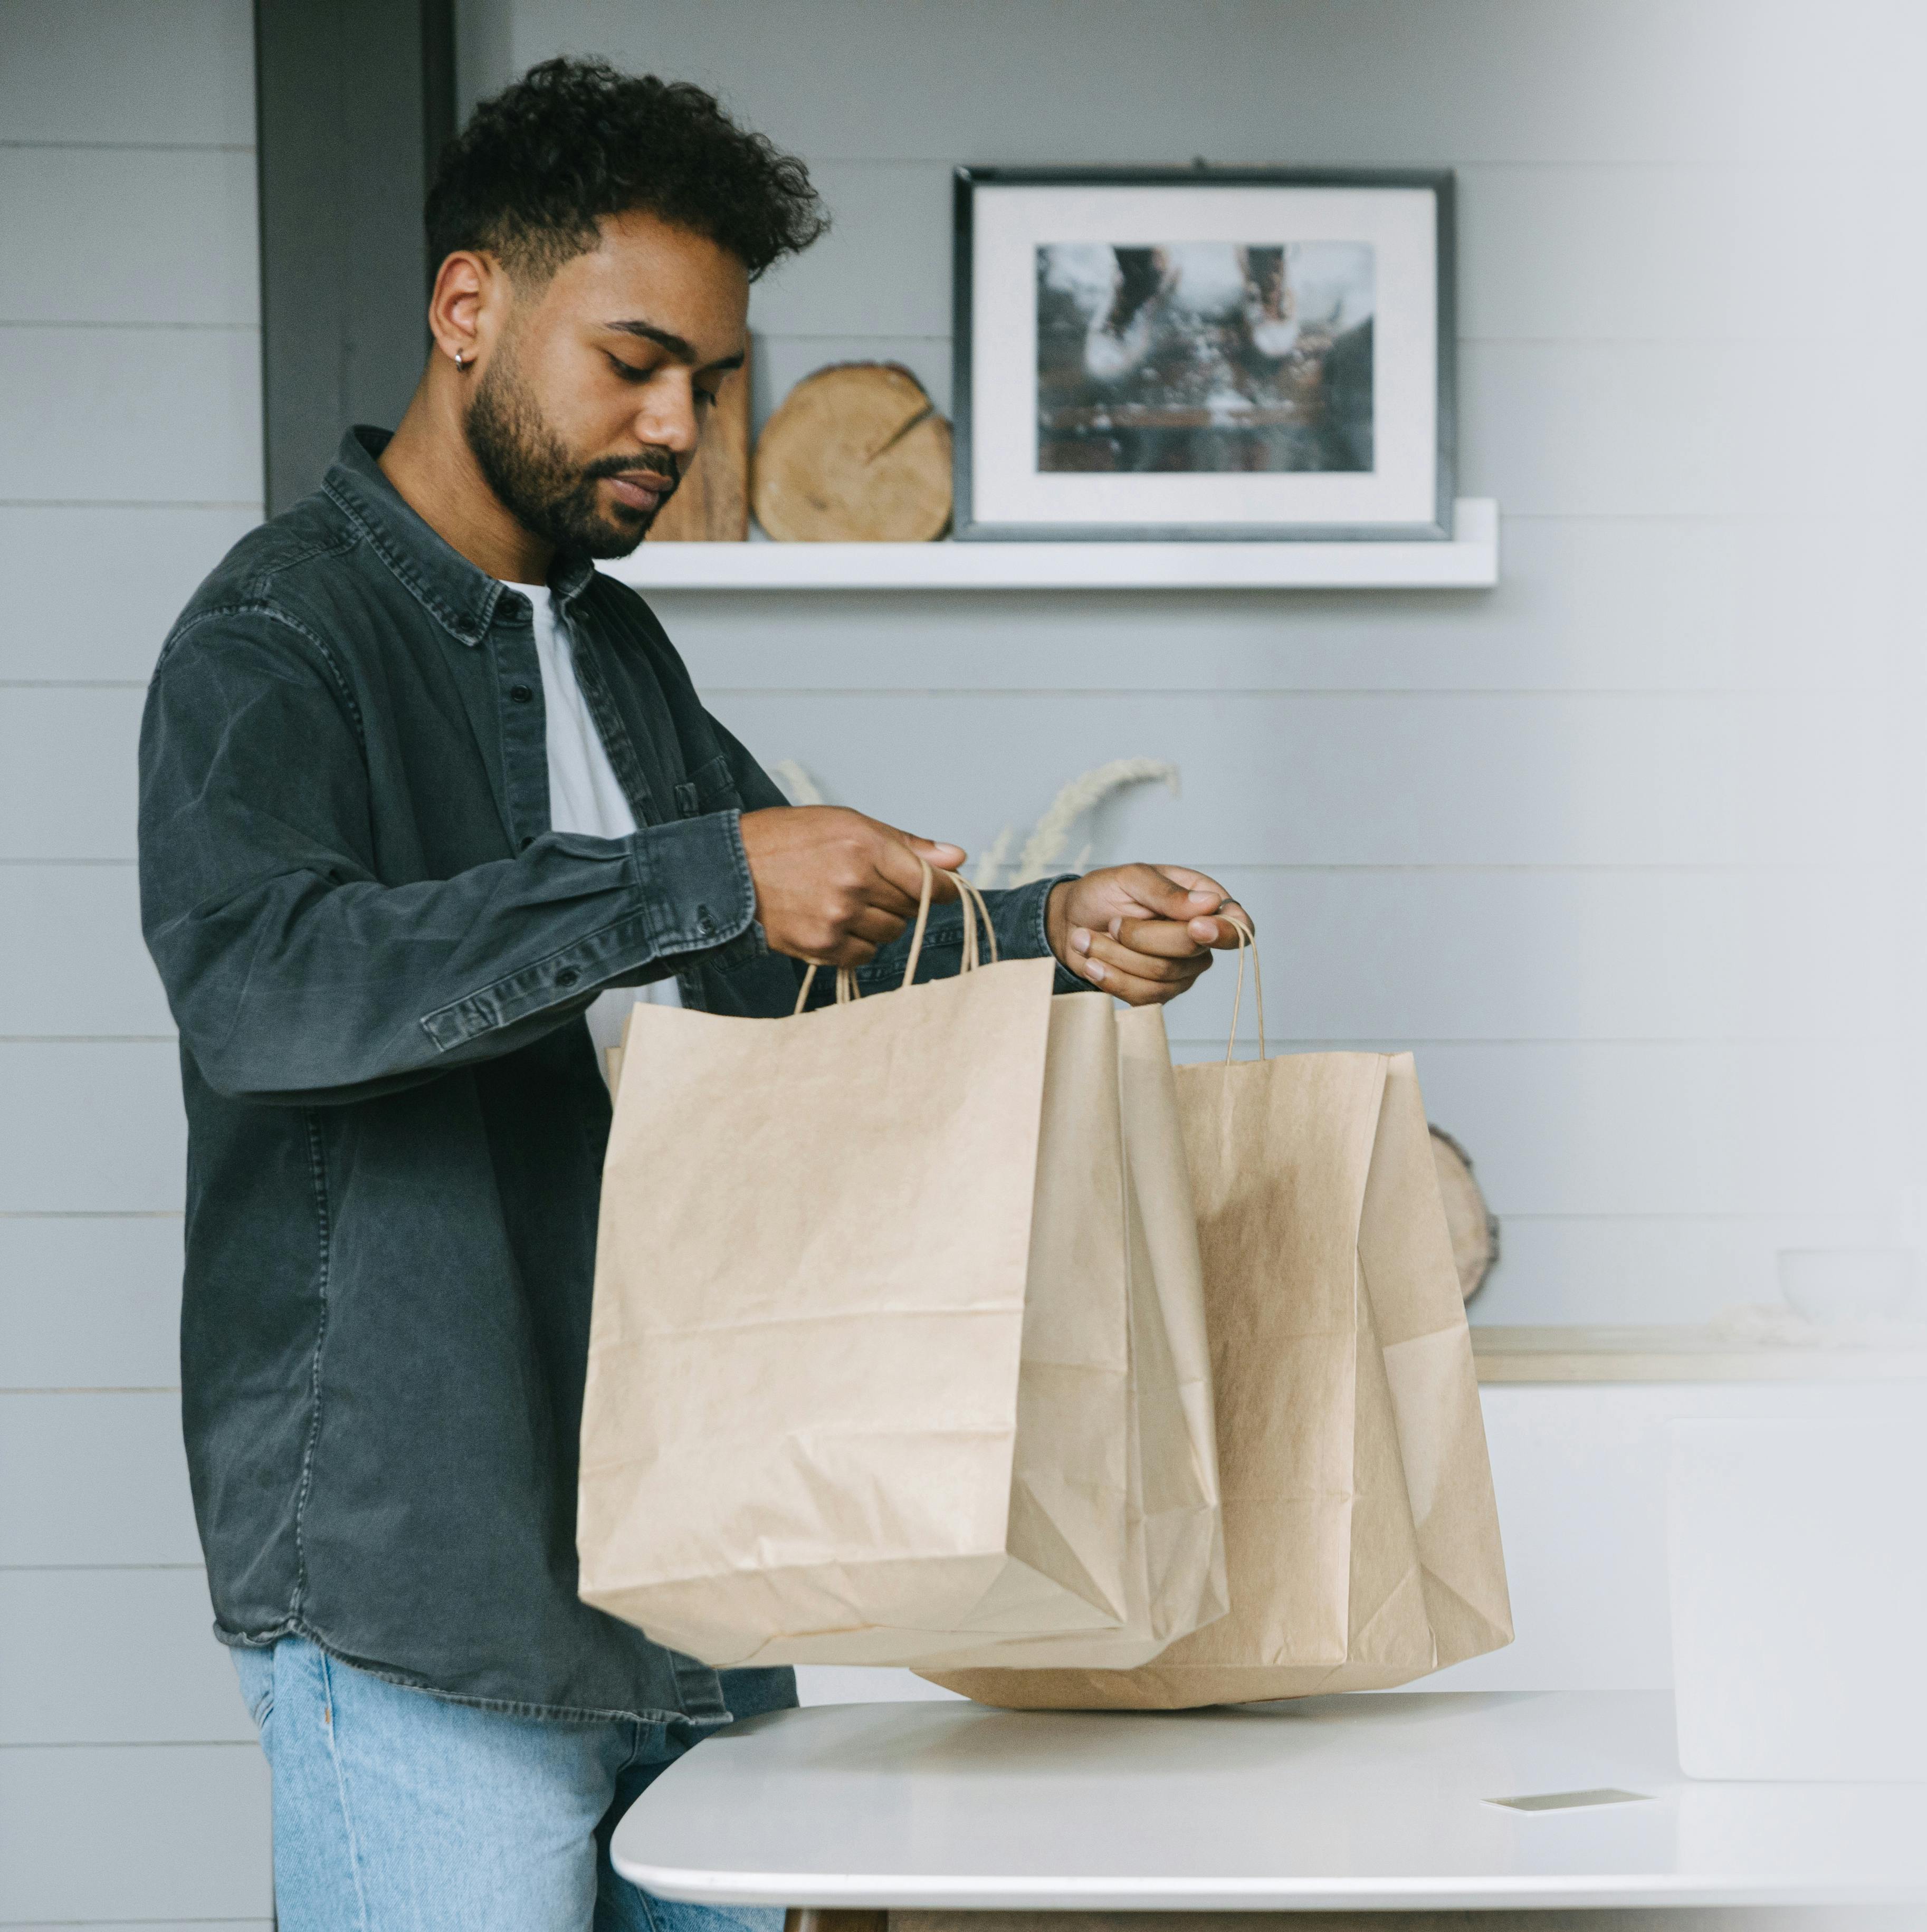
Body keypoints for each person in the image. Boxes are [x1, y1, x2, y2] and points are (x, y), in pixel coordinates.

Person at [135, 59, 1245, 1930]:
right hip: (427, 1582)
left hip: (704, 1548)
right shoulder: (273, 639)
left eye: (711, 381)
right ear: (468, 306)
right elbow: (267, 990)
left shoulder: (613, 645)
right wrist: (705, 868)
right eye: (634, 359)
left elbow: (762, 944)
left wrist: (1054, 927)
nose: (678, 421)